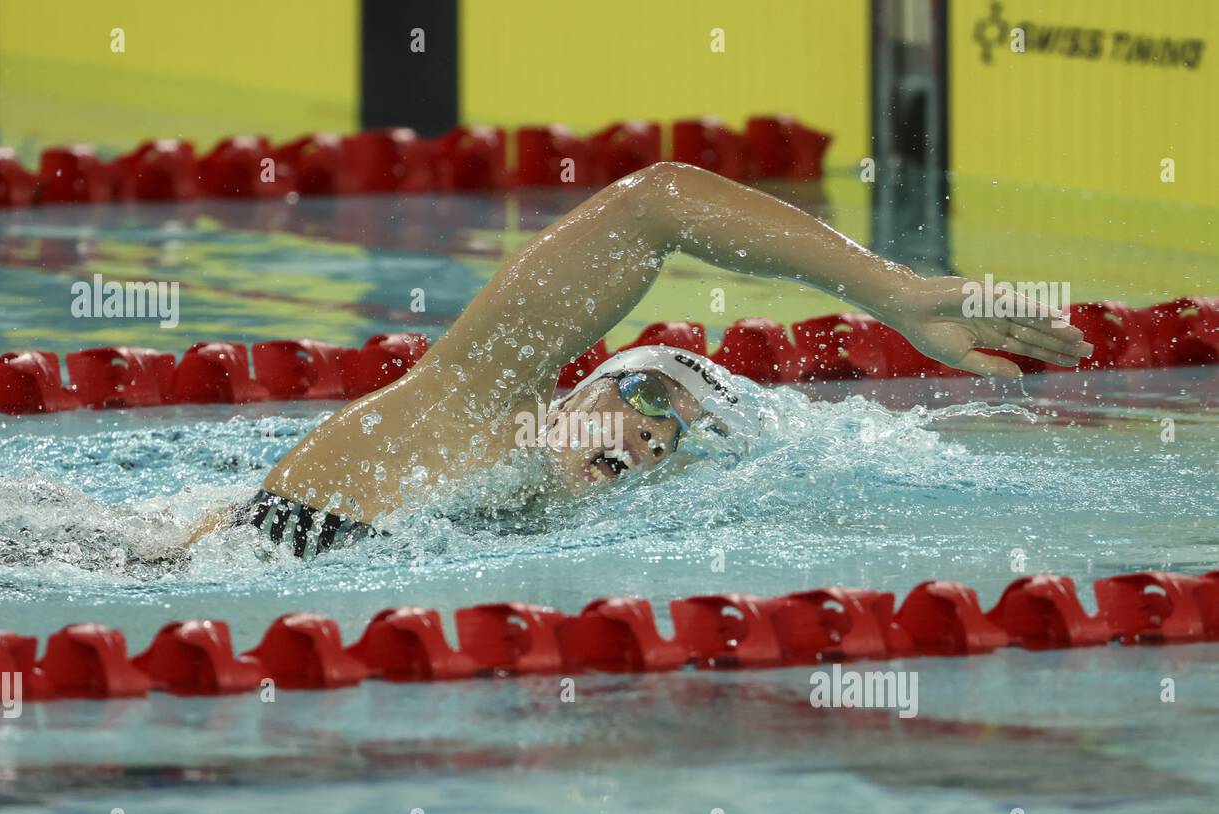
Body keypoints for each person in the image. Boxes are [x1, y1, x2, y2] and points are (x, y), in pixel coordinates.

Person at [186, 161, 1091, 557]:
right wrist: (890, 291)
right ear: (574, 388)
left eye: (674, 441)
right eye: (649, 397)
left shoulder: (520, 524)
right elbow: (658, 203)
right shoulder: (472, 407)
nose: (655, 438)